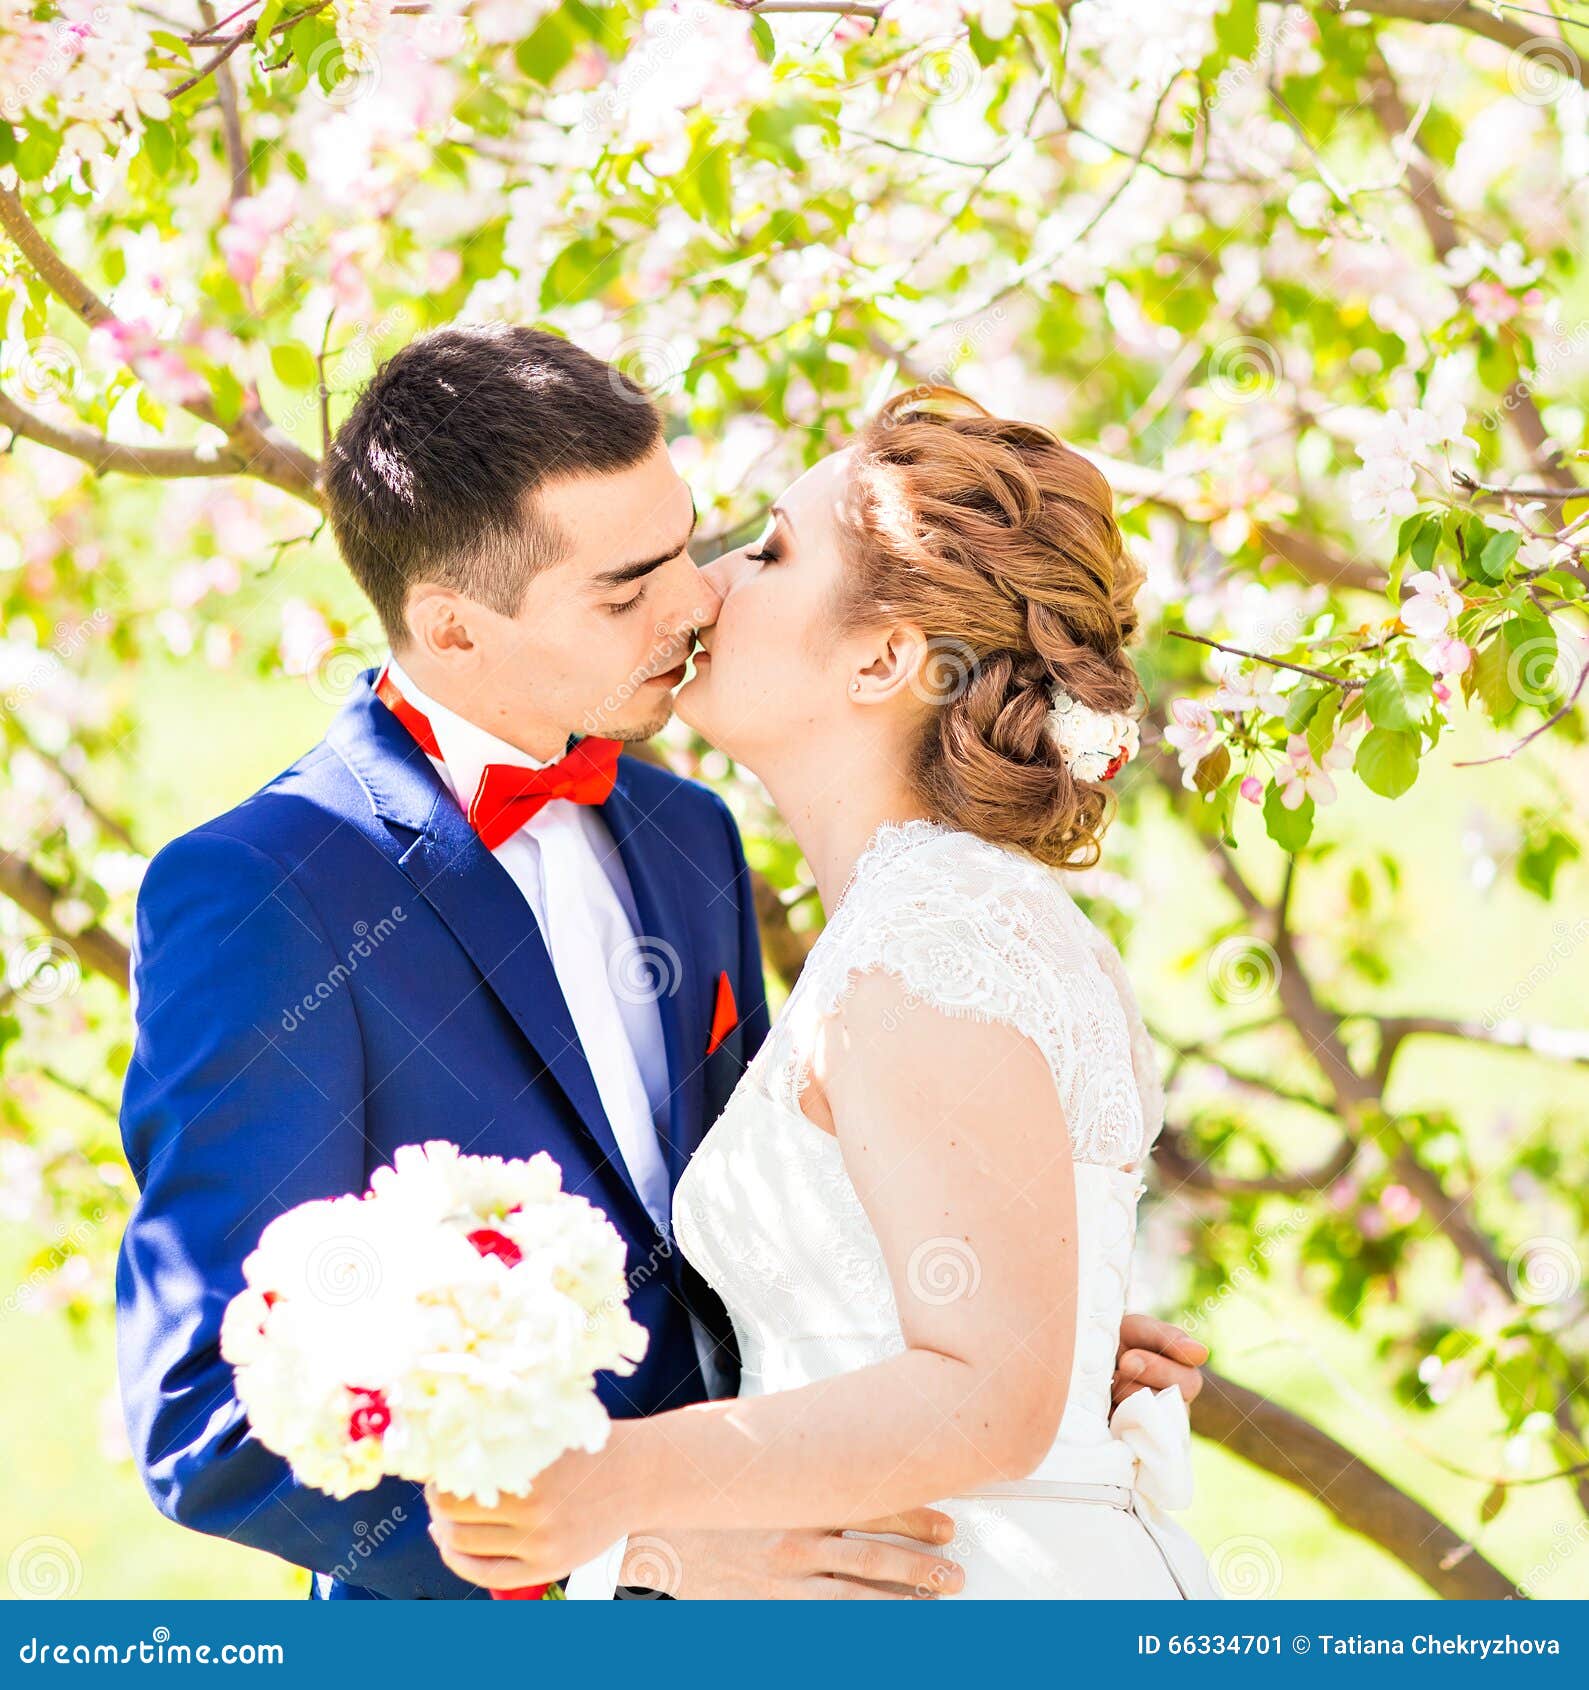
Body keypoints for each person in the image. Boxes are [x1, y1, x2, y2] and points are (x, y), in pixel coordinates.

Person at [116, 328, 1206, 1600]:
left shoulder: (688, 836)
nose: (697, 600)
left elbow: (770, 1239)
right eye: (627, 589)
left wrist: (1015, 1340)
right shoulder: (269, 890)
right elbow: (212, 1412)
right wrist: (620, 1551)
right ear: (454, 633)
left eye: (696, 540)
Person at [427, 390, 1219, 1599]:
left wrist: (614, 1480)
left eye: (771, 552)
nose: (706, 585)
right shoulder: (917, 925)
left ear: (883, 657)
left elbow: (984, 1394)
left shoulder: (936, 936)